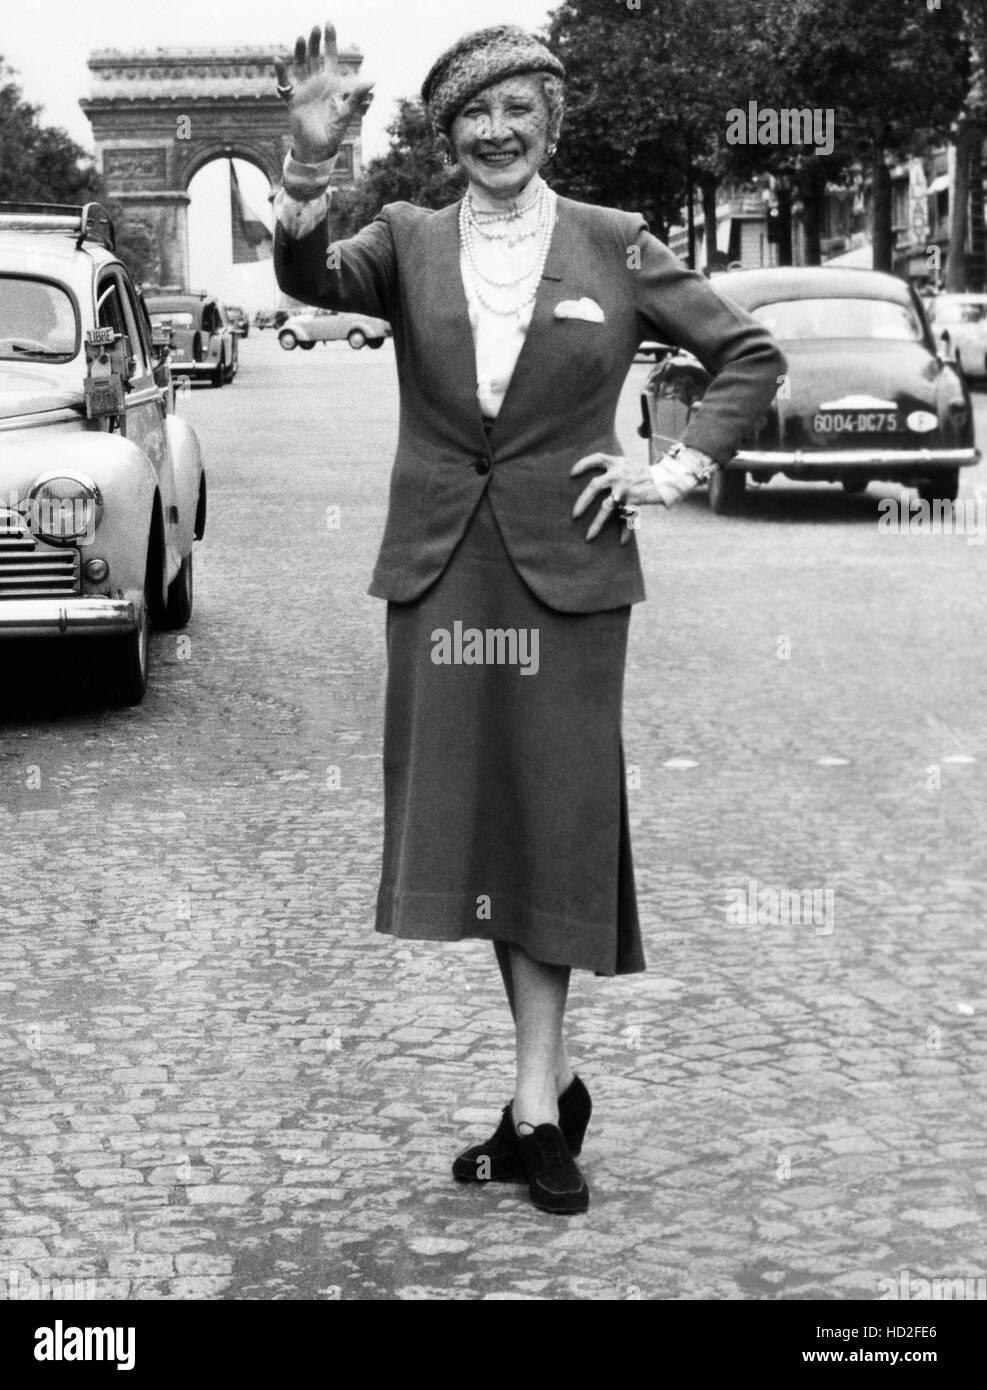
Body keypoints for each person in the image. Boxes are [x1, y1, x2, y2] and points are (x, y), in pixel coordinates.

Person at [271, 22, 785, 1215]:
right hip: (445, 570)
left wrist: (671, 470)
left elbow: (746, 355)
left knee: (550, 822)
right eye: (471, 116)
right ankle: (540, 1100)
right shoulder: (404, 238)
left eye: (518, 111)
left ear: (550, 123)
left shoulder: (615, 244)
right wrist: (304, 168)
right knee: (483, 823)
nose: (496, 133)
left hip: (569, 573)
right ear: (444, 136)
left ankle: (537, 1109)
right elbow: (305, 280)